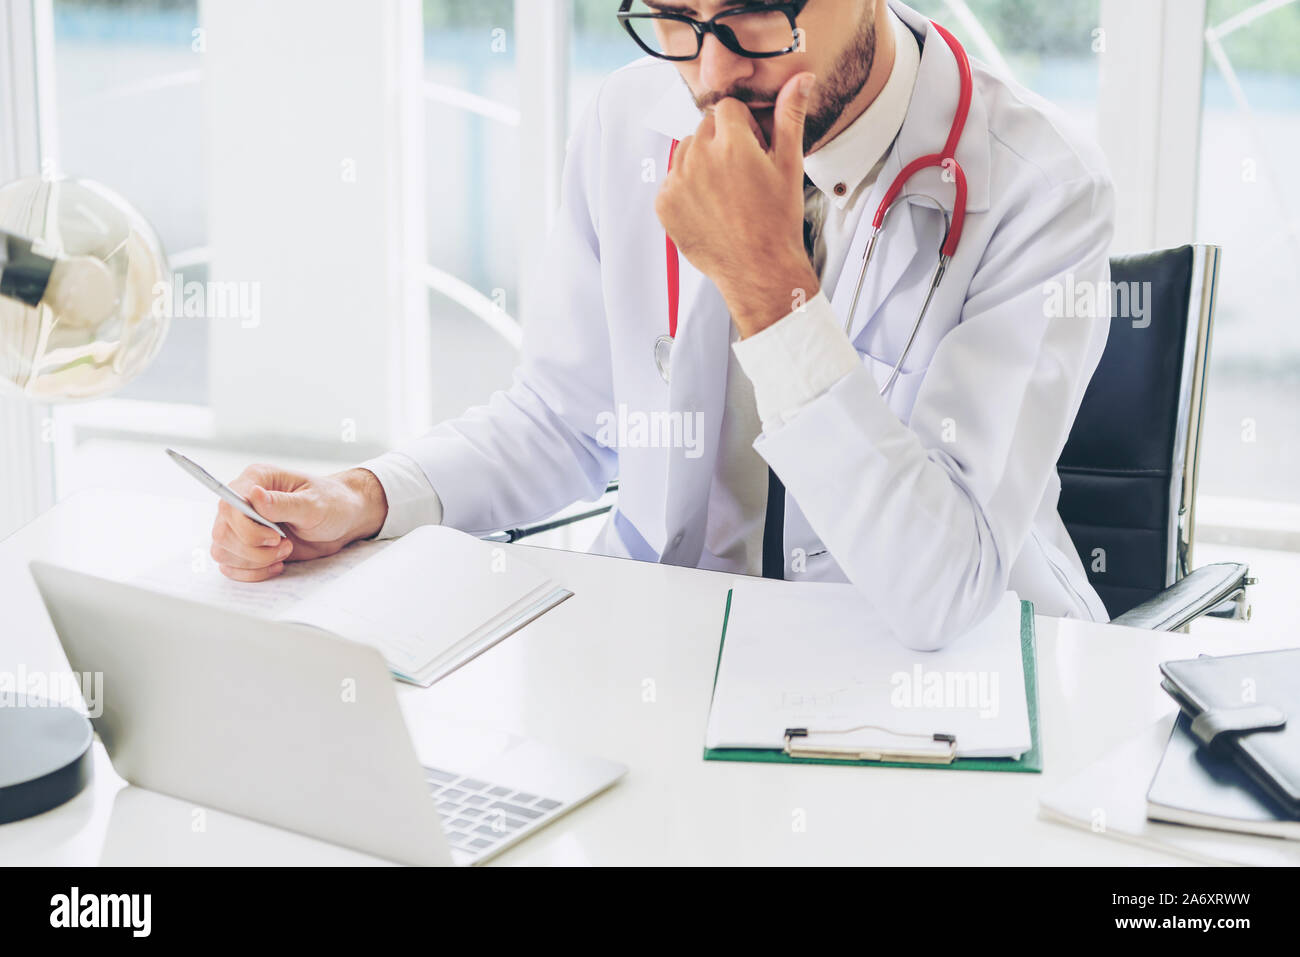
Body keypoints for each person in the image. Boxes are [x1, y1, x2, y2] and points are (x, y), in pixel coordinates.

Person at [209, 0, 1114, 650]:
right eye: (676, 17)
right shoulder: (628, 118)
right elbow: (565, 419)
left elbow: (941, 590)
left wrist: (772, 291)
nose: (713, 74)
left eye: (758, 11)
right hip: (672, 658)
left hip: (935, 690)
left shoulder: (1040, 185)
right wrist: (369, 497)